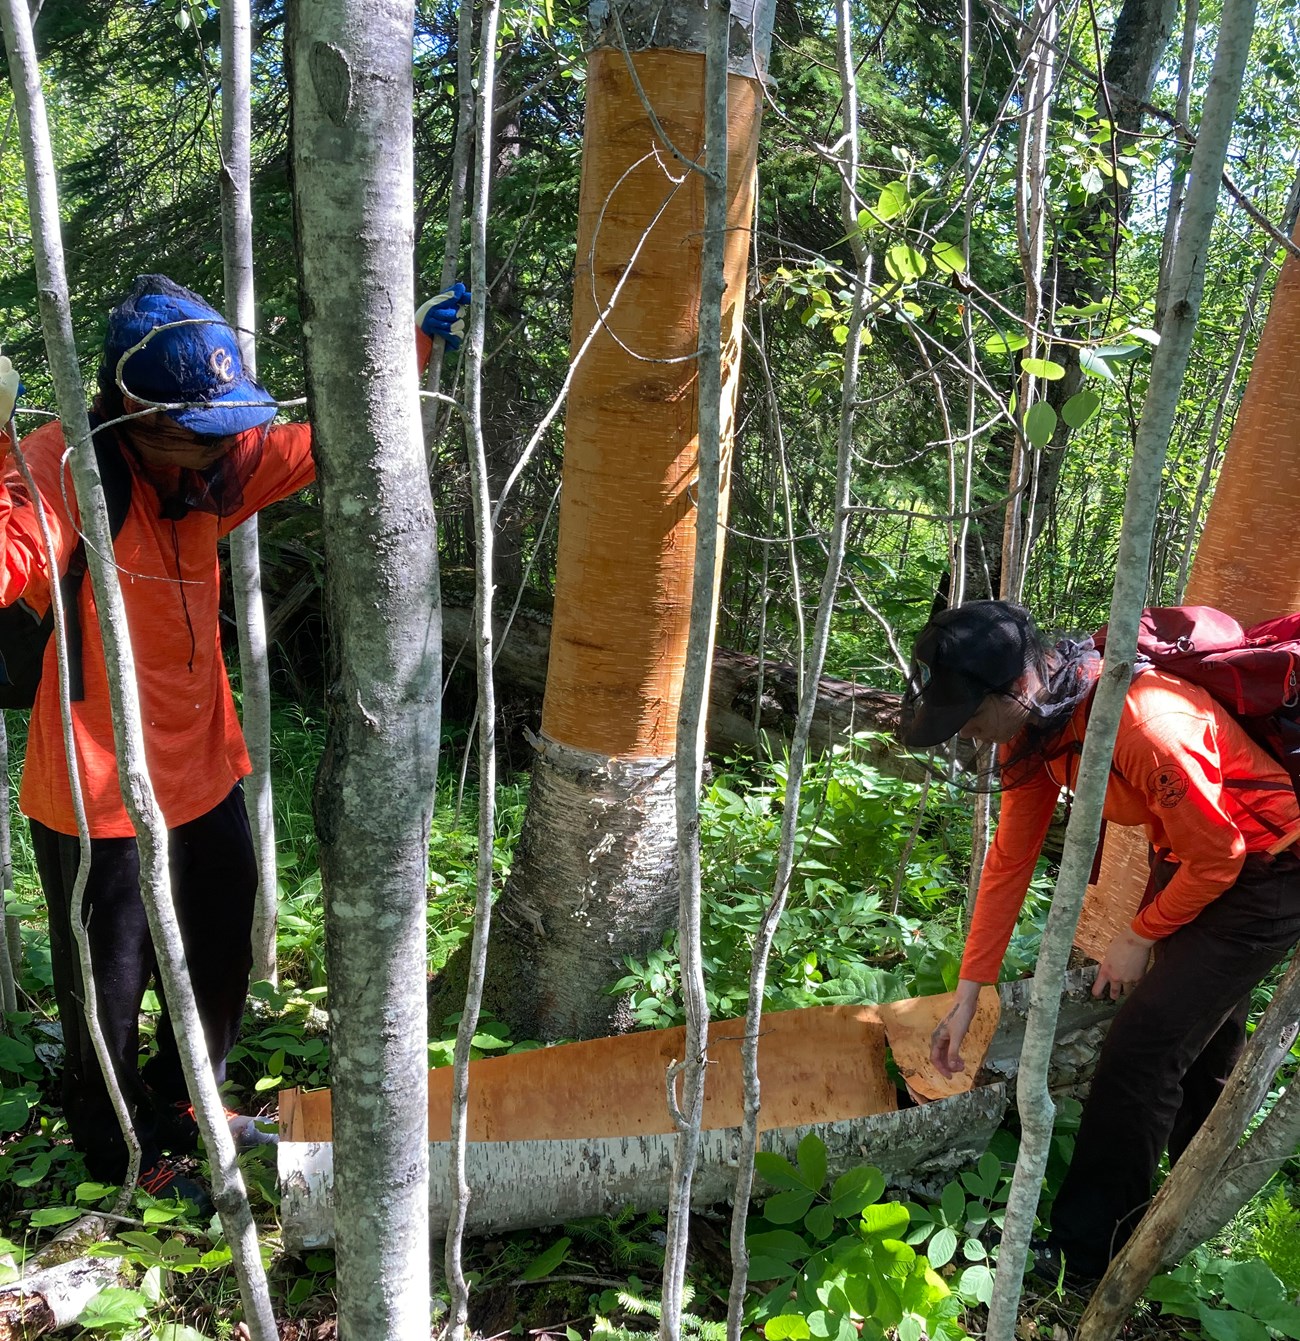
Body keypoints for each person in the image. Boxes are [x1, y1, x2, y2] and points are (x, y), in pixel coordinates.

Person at [0, 274, 467, 1210]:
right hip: (97, 793)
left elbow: (315, 447)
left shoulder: (215, 463)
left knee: (217, 951)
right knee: (110, 991)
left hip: (206, 767)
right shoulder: (64, 471)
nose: (223, 445)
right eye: (199, 427)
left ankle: (187, 1109)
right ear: (133, 414)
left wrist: (410, 352)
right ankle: (114, 1157)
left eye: (228, 424)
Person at [899, 599, 1300, 1282]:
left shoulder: (1144, 723)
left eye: (968, 714)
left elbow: (1225, 853)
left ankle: (1090, 1256)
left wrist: (1137, 936)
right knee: (1191, 1032)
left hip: (1268, 867)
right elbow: (1009, 861)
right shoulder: (1035, 732)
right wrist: (970, 993)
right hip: (1193, 858)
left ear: (1016, 688)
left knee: (1141, 1048)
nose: (965, 732)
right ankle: (1192, 1191)